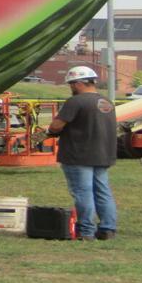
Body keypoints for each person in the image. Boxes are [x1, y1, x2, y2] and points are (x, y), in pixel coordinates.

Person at [46, 65, 118, 240]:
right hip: (103, 154)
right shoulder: (106, 102)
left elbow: (56, 126)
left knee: (83, 192)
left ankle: (86, 231)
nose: (71, 88)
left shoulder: (76, 102)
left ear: (78, 83)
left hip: (79, 154)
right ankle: (108, 229)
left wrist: (51, 131)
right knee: (102, 191)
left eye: (71, 84)